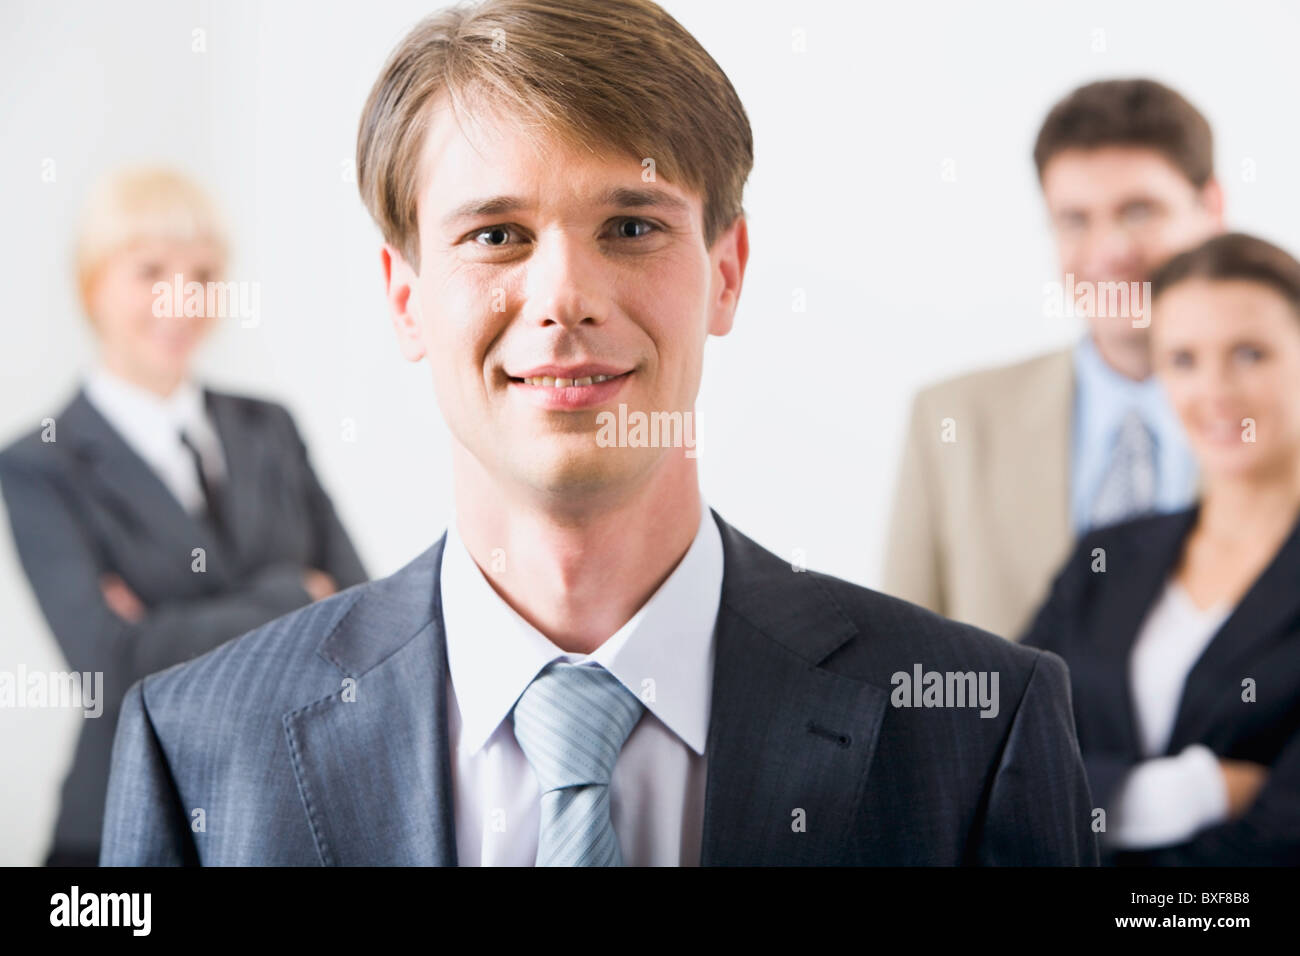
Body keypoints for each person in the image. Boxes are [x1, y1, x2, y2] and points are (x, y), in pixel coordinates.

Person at [99, 0, 1095, 867]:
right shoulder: (199, 742)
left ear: (728, 270)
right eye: (497, 234)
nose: (564, 296)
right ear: (405, 296)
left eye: (630, 226)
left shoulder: (976, 732)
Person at [0, 167, 367, 866]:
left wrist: (165, 631)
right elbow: (108, 663)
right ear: (92, 286)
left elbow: (357, 616)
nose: (182, 298)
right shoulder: (40, 464)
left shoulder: (270, 427)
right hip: (126, 818)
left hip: (285, 814)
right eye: (150, 271)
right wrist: (294, 594)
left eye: (203, 273)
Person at [884, 79, 1224, 640]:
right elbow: (893, 664)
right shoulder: (951, 419)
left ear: (1211, 208)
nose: (1110, 251)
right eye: (1075, 220)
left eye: (1139, 211)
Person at [1022, 232, 1300, 865]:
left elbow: (1279, 842)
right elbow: (1001, 756)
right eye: (1182, 360)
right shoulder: (1110, 556)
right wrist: (1186, 794)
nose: (1216, 390)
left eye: (1250, 353)